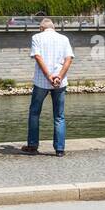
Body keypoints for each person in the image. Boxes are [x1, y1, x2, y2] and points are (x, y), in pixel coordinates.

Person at [24, 18, 74, 156]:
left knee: (34, 113)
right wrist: (59, 76)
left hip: (41, 81)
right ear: (54, 27)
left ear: (41, 28)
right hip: (60, 82)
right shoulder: (64, 38)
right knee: (59, 116)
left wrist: (48, 76)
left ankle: (33, 146)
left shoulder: (37, 37)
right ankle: (59, 149)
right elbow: (68, 59)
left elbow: (38, 57)